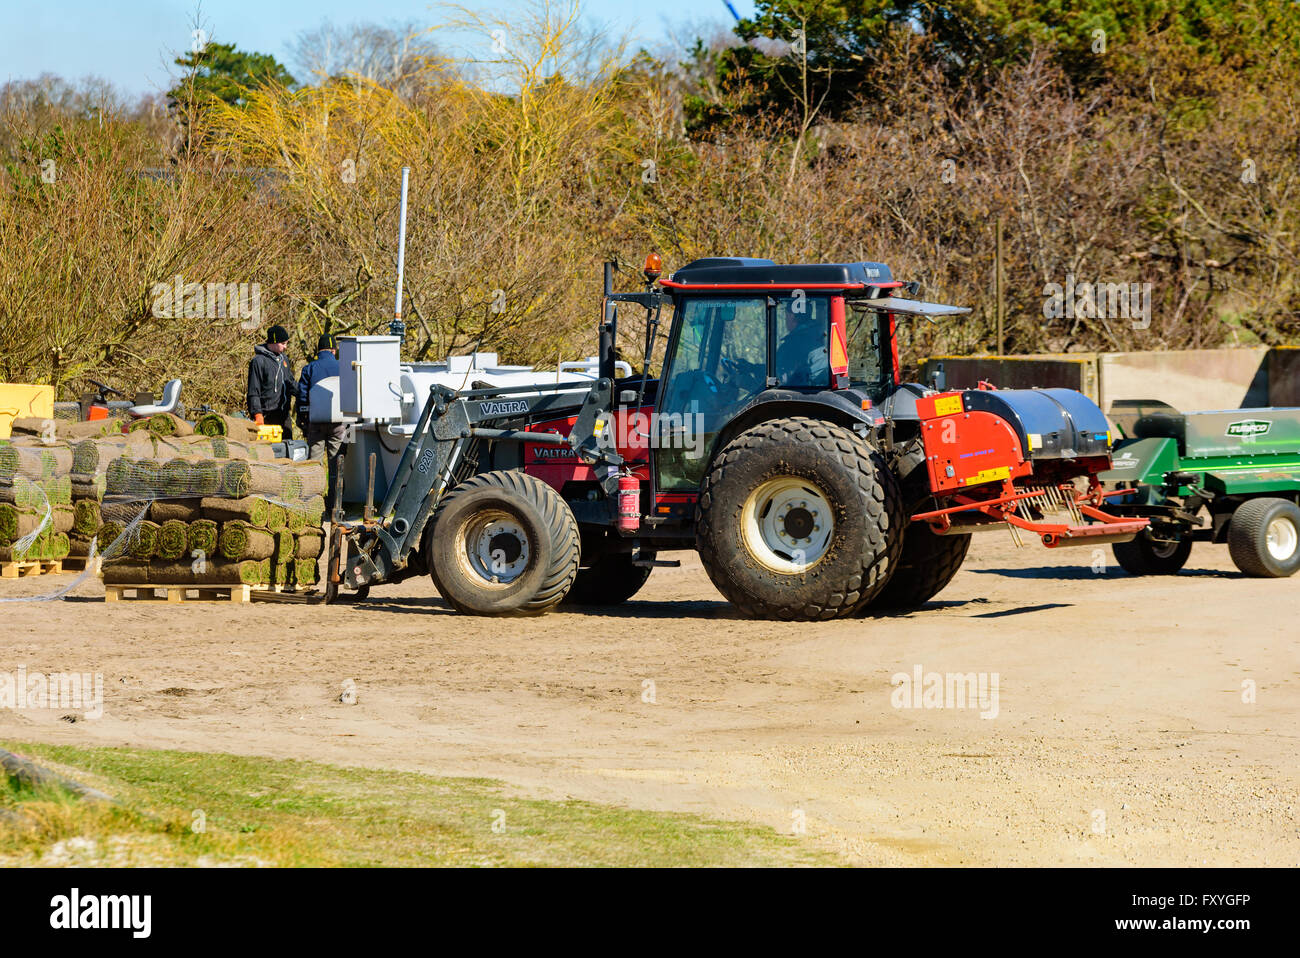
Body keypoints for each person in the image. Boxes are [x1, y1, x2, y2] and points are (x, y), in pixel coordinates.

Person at [296, 333, 346, 507]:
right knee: (336, 465)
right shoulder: (343, 367)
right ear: (334, 349)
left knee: (314, 465)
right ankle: (335, 504)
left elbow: (302, 397)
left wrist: (302, 420)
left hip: (315, 423)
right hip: (339, 424)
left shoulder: (309, 368)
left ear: (318, 350)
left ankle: (313, 504)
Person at [247, 325, 295, 438]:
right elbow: (253, 391)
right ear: (273, 342)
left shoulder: (285, 360)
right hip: (266, 415)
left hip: (284, 415)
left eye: (286, 343)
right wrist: (257, 414)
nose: (286, 347)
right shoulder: (258, 361)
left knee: (288, 450)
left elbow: (291, 383)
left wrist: (306, 393)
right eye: (283, 343)